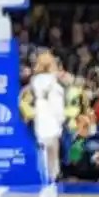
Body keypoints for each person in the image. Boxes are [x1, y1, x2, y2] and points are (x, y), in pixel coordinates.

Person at [29, 51, 66, 181]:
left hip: (40, 111)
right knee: (53, 146)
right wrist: (60, 118)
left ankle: (43, 174)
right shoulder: (53, 80)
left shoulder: (35, 80)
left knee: (42, 145)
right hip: (51, 112)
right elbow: (56, 102)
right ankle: (53, 174)